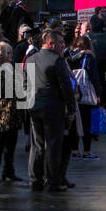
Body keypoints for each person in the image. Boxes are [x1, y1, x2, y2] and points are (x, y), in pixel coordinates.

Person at [29, 29, 77, 192]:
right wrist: (71, 109)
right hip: (53, 108)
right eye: (61, 43)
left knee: (37, 145)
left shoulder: (31, 59)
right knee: (53, 144)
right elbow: (66, 87)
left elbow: (25, 85)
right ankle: (53, 180)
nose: (63, 46)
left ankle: (36, 179)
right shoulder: (58, 61)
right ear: (51, 43)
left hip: (35, 107)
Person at [0, 41, 23, 184]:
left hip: (11, 108)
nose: (11, 55)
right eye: (8, 53)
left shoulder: (8, 69)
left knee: (11, 140)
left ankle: (8, 170)